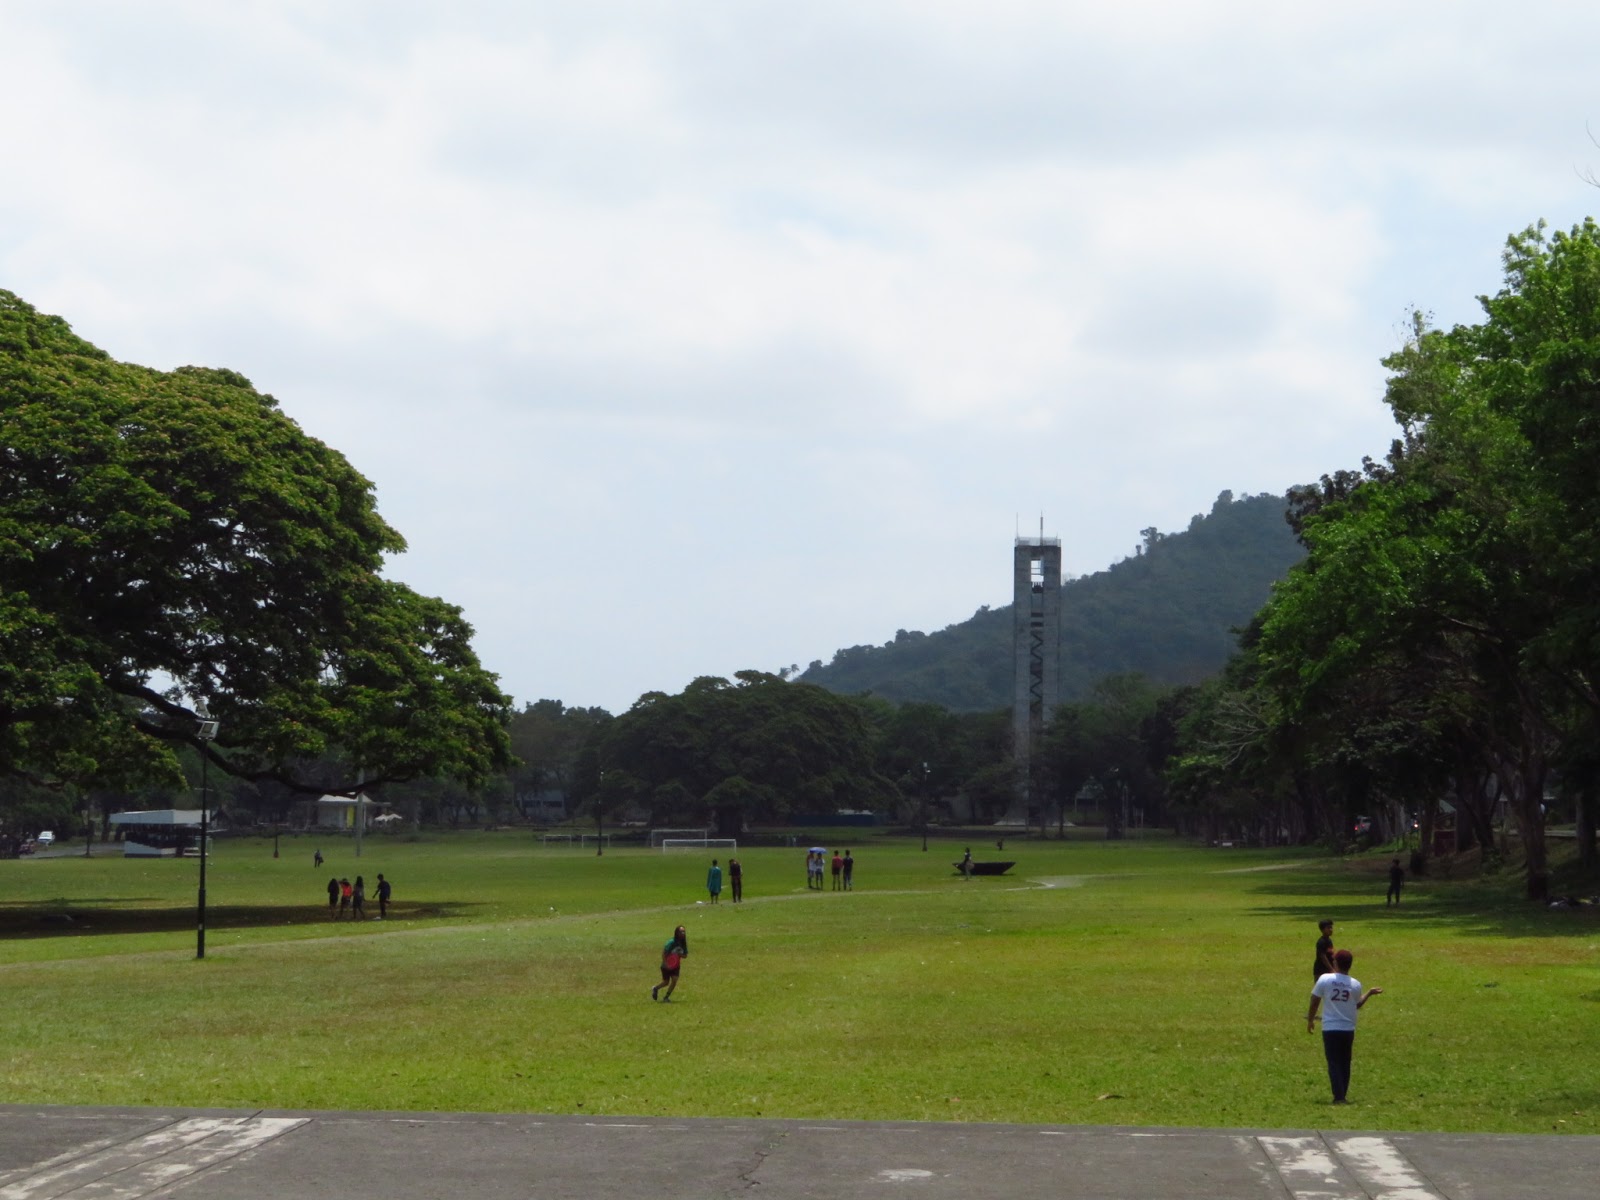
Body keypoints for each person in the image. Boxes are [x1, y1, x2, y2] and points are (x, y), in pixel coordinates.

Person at [1307, 947, 1383, 1103]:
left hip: (1330, 1027)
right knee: (1345, 1062)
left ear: (1335, 962)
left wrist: (1310, 1019)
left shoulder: (1325, 979)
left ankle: (1338, 1097)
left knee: (1333, 1062)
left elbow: (1315, 999)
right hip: (1348, 1028)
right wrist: (1368, 993)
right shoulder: (1355, 984)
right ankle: (1343, 1094)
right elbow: (1357, 1004)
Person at [652, 925, 688, 1001]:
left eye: (684, 932)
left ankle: (666, 997)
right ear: (677, 933)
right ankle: (655, 988)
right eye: (681, 932)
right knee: (666, 982)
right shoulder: (671, 942)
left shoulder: (683, 943)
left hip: (676, 965)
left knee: (674, 980)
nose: (683, 933)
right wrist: (665, 963)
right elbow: (664, 953)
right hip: (666, 964)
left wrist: (679, 955)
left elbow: (685, 955)